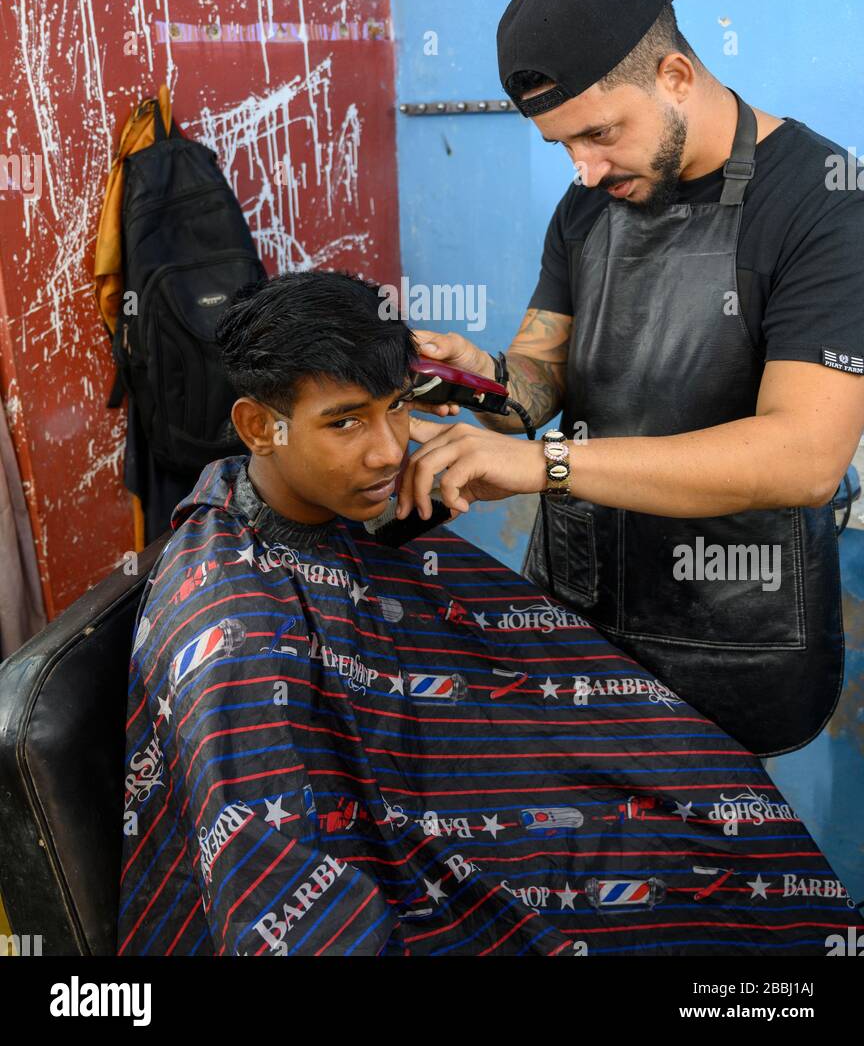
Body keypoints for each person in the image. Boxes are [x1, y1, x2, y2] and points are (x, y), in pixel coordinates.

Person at [118, 270, 858, 957]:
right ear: (257, 427)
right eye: (345, 423)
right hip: (413, 877)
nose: (386, 451)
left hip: (488, 800)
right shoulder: (234, 629)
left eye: (399, 407)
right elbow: (284, 898)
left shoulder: (346, 505)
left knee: (717, 807)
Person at [394, 0, 864, 757]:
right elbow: (537, 385)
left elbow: (804, 459)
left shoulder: (825, 202)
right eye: (562, 146)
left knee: (728, 873)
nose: (584, 167)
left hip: (735, 633)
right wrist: (469, 382)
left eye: (600, 134)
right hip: (581, 617)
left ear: (676, 75)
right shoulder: (590, 204)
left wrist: (547, 467)